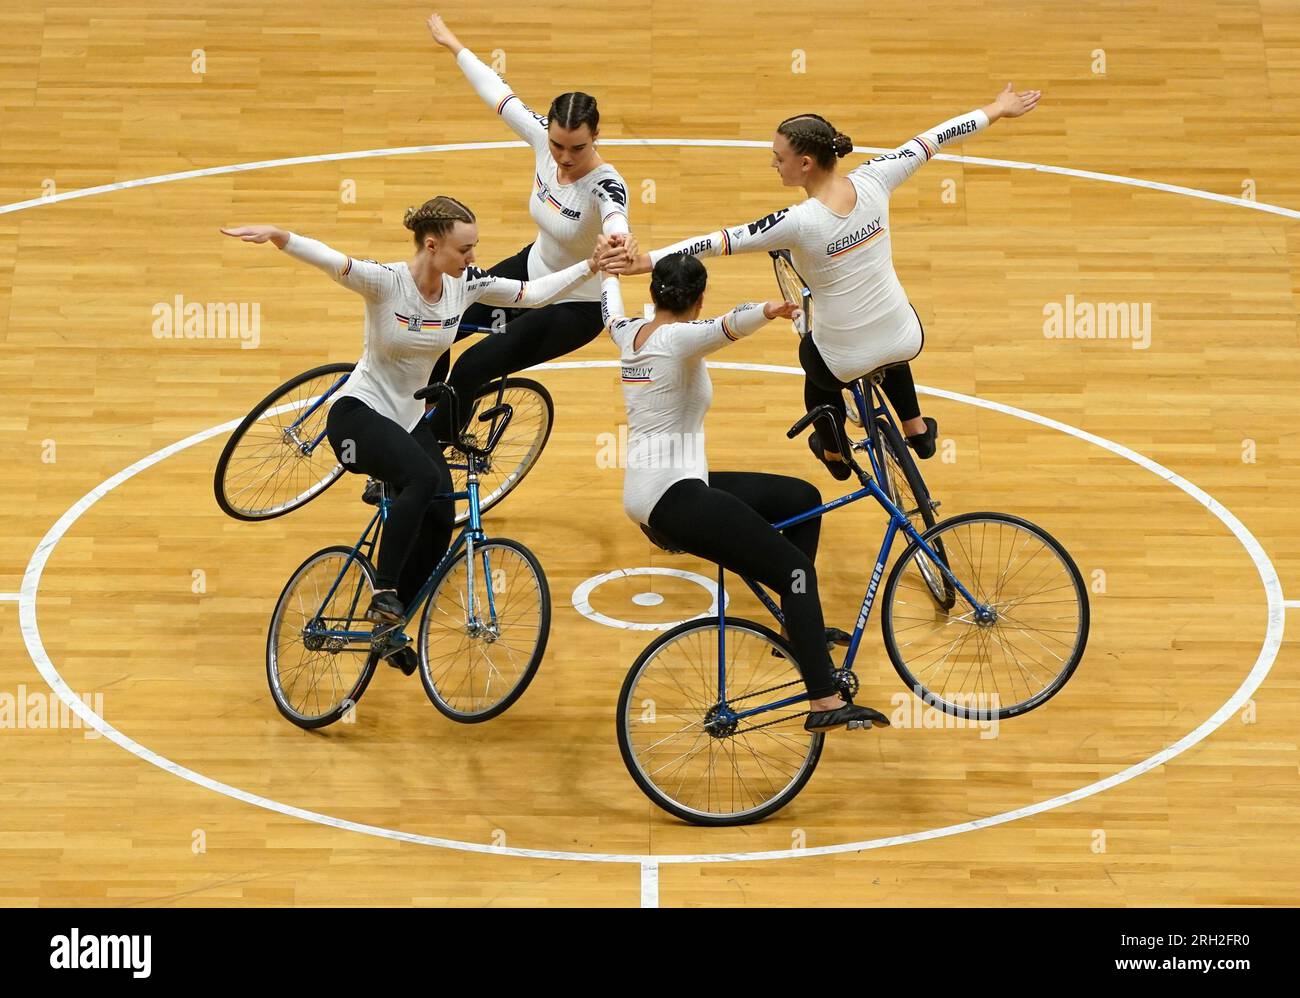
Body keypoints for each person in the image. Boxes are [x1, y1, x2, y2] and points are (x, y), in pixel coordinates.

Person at [221, 196, 598, 673]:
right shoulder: (386, 282)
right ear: (432, 245)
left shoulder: (465, 285)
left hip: (406, 421)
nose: (473, 258)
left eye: (474, 247)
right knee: (422, 478)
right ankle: (383, 592)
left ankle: (389, 625)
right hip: (357, 416)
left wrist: (592, 265)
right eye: (465, 249)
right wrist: (280, 235)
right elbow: (330, 259)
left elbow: (535, 295)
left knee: (441, 512)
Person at [601, 84, 1042, 479]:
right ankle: (917, 431)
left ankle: (834, 454)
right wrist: (998, 108)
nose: (773, 164)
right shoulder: (878, 176)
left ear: (806, 163)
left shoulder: (798, 222)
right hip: (906, 336)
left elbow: (720, 241)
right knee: (885, 333)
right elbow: (936, 137)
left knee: (813, 364)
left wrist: (643, 263)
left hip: (843, 358)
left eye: (779, 158)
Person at [599, 258, 889, 733]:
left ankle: (795, 628)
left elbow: (609, 309)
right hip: (671, 498)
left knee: (802, 500)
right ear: (699, 299)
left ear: (653, 293)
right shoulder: (677, 339)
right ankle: (823, 700)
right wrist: (768, 310)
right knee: (795, 573)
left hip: (671, 484)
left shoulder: (629, 331)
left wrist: (608, 270)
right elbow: (725, 327)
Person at [423, 12, 634, 435]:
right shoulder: (541, 138)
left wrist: (621, 241)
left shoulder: (606, 185)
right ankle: (419, 416)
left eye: (578, 148)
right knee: (435, 324)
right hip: (529, 271)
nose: (565, 157)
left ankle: (432, 454)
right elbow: (498, 93)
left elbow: (616, 218)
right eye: (557, 145)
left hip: (573, 306)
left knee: (471, 367)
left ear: (596, 136)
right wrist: (455, 45)